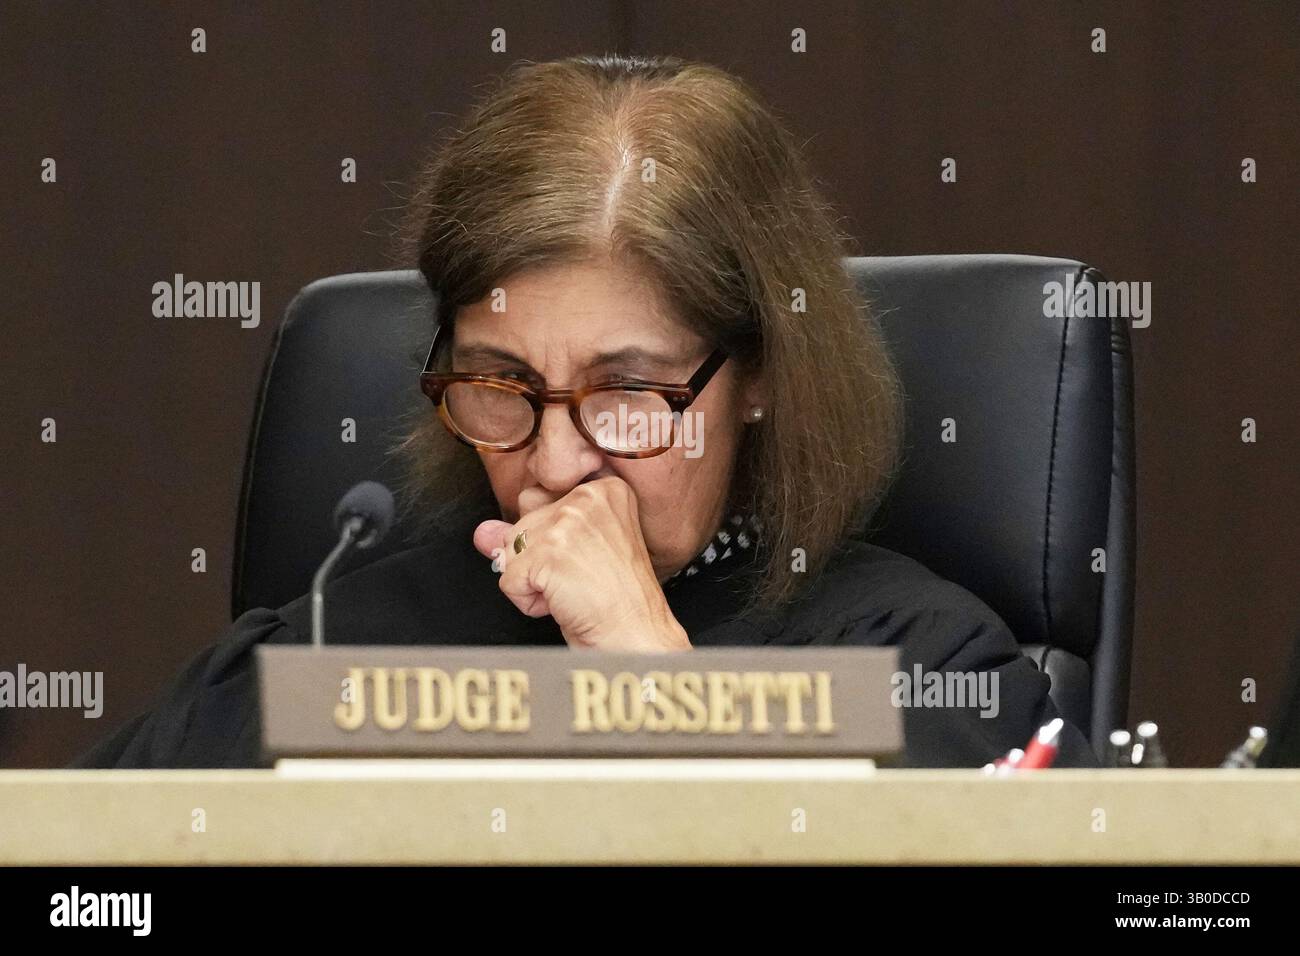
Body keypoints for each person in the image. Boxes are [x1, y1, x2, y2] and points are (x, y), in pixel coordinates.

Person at [74, 53, 1097, 769]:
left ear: (760, 375)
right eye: (502, 387)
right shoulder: (333, 644)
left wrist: (650, 677)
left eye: (623, 392)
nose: (555, 466)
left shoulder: (919, 664)